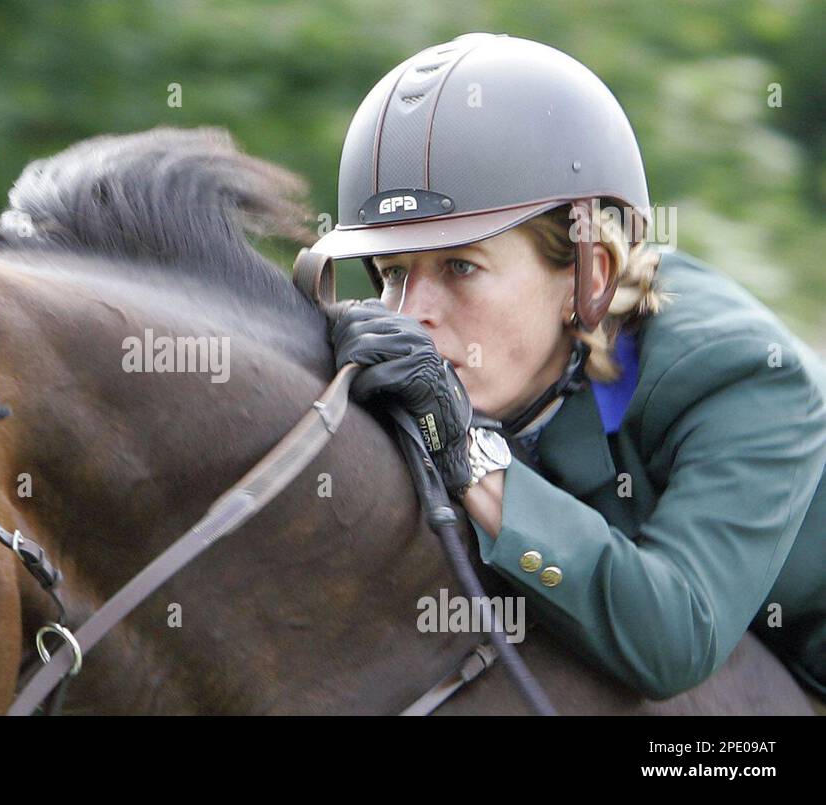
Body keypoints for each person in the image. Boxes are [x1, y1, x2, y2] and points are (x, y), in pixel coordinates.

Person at [311, 32, 826, 703]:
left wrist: (463, 449)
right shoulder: (473, 367)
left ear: (589, 278)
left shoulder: (743, 374)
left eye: (461, 266)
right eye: (391, 273)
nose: (410, 317)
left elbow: (674, 636)